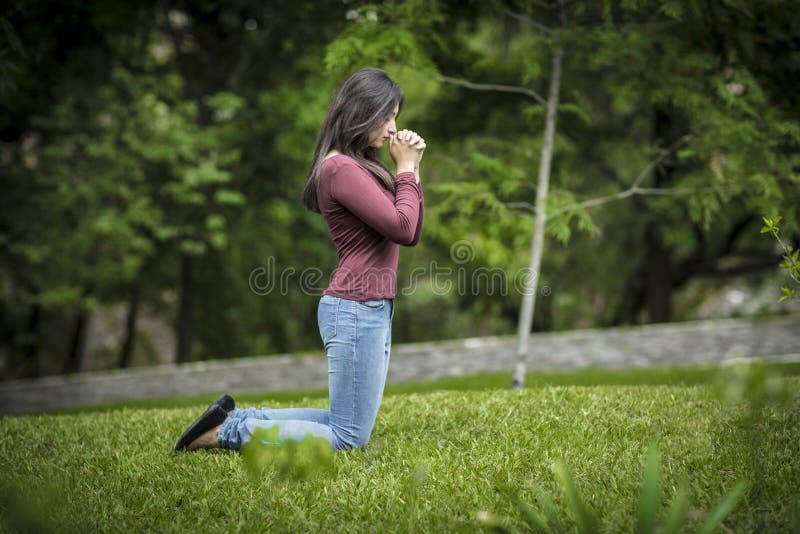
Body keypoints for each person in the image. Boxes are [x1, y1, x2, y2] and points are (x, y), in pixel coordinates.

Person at [174, 67, 426, 453]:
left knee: (344, 424)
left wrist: (413, 172)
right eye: (387, 116)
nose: (393, 128)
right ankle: (226, 434)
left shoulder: (356, 166)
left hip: (366, 307)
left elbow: (412, 229)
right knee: (348, 438)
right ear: (362, 110)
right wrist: (405, 169)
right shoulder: (339, 167)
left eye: (396, 116)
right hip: (356, 308)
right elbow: (403, 227)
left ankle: (237, 420)